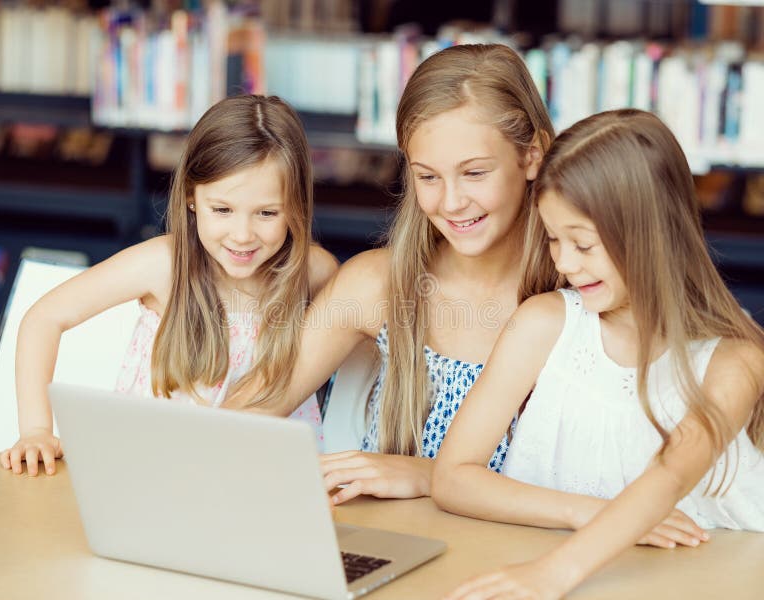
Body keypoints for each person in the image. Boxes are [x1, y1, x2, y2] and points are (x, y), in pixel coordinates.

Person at [433, 109, 764, 599]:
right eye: (553, 239)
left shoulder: (736, 361)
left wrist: (551, 575)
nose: (564, 264)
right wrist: (586, 513)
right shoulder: (544, 325)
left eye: (583, 245)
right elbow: (453, 477)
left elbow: (669, 478)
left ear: (651, 234)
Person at [229, 43, 554, 505]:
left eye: (475, 173)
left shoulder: (576, 299)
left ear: (532, 155)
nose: (451, 201)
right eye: (428, 177)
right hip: (385, 550)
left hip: (515, 566)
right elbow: (244, 413)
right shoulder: (378, 285)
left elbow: (592, 489)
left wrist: (427, 476)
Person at [1, 95, 338, 476]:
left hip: (270, 479)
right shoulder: (164, 264)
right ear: (193, 198)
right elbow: (44, 318)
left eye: (267, 213)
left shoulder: (313, 271)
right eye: (222, 210)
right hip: (151, 473)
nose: (242, 235)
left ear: (296, 205)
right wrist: (35, 430)